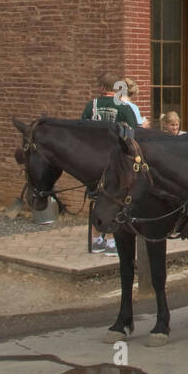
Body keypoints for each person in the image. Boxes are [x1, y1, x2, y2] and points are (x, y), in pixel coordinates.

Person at [82, 73, 138, 254]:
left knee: (96, 198)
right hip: (116, 162)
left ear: (101, 88)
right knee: (115, 199)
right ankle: (112, 241)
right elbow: (133, 133)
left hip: (93, 158)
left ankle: (96, 239)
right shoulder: (124, 107)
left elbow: (82, 130)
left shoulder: (92, 106)